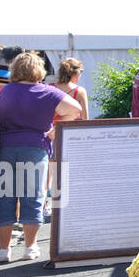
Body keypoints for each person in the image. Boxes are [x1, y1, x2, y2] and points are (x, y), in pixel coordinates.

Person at [0, 52, 81, 263]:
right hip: (35, 148)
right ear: (38, 70)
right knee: (33, 197)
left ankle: (3, 250)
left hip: (4, 148)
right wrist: (53, 130)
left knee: (3, 198)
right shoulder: (47, 92)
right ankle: (30, 247)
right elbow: (75, 110)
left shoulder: (1, 91)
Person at [47, 58, 90, 221]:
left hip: (51, 132)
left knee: (48, 173)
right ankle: (67, 205)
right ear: (75, 72)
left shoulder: (50, 88)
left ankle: (44, 205)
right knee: (69, 171)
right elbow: (86, 118)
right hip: (71, 135)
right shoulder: (80, 91)